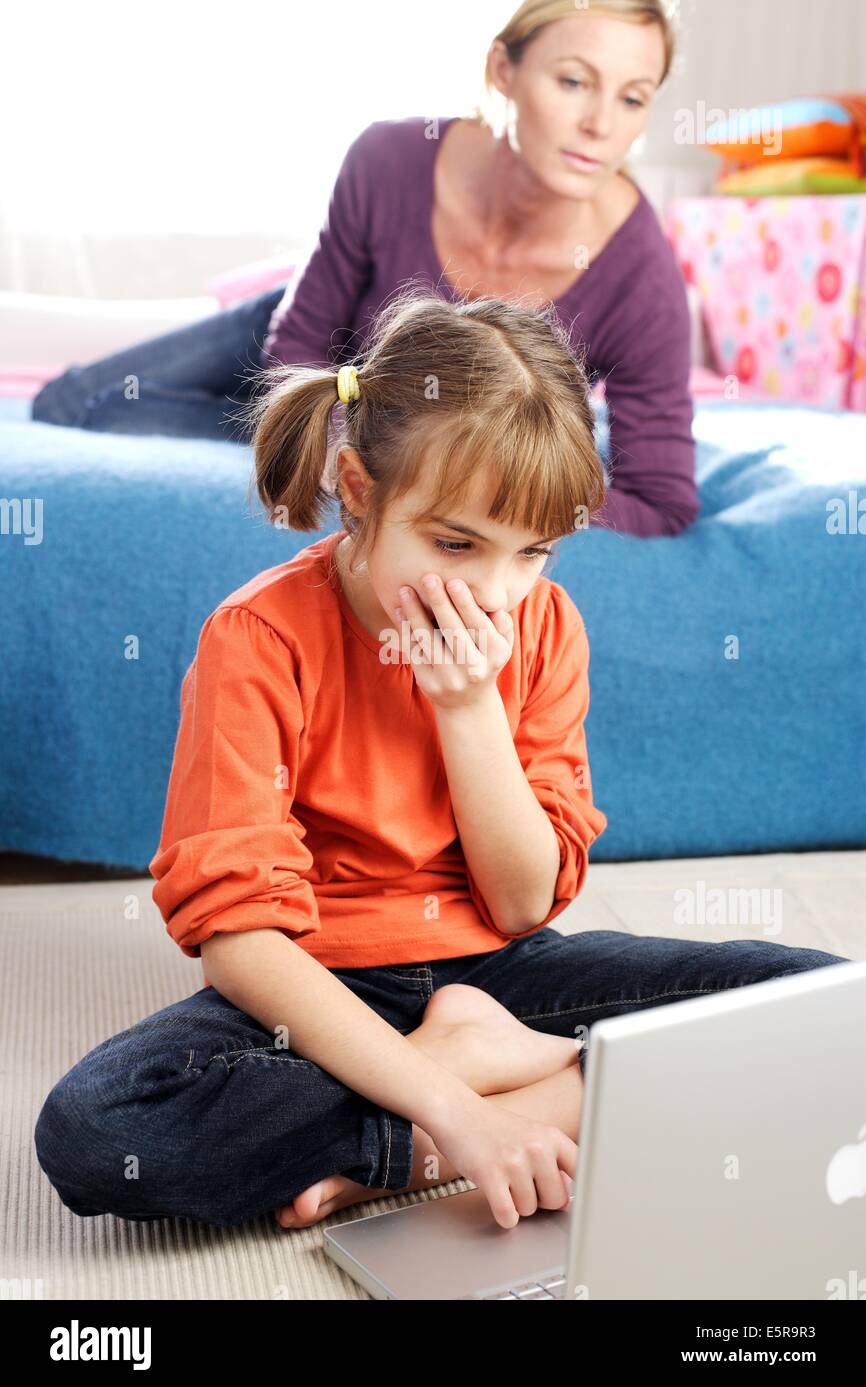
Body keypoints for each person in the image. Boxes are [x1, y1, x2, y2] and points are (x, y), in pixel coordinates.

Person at [33, 287, 848, 1234]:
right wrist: (453, 1106)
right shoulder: (258, 638)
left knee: (821, 1003)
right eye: (456, 543)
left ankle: (410, 1146)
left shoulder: (544, 628)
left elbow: (518, 904)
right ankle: (502, 1096)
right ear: (360, 487)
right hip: (321, 985)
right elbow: (240, 943)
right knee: (98, 1129)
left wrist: (467, 710)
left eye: (532, 551)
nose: (494, 592)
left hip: (499, 971)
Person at [31, 0, 700, 538]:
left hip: (400, 429)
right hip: (309, 352)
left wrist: (481, 490)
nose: (600, 124)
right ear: (503, 70)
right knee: (63, 402)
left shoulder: (643, 280)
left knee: (100, 415)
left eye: (633, 98)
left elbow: (661, 500)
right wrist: (323, 440)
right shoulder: (388, 158)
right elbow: (295, 347)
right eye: (574, 81)